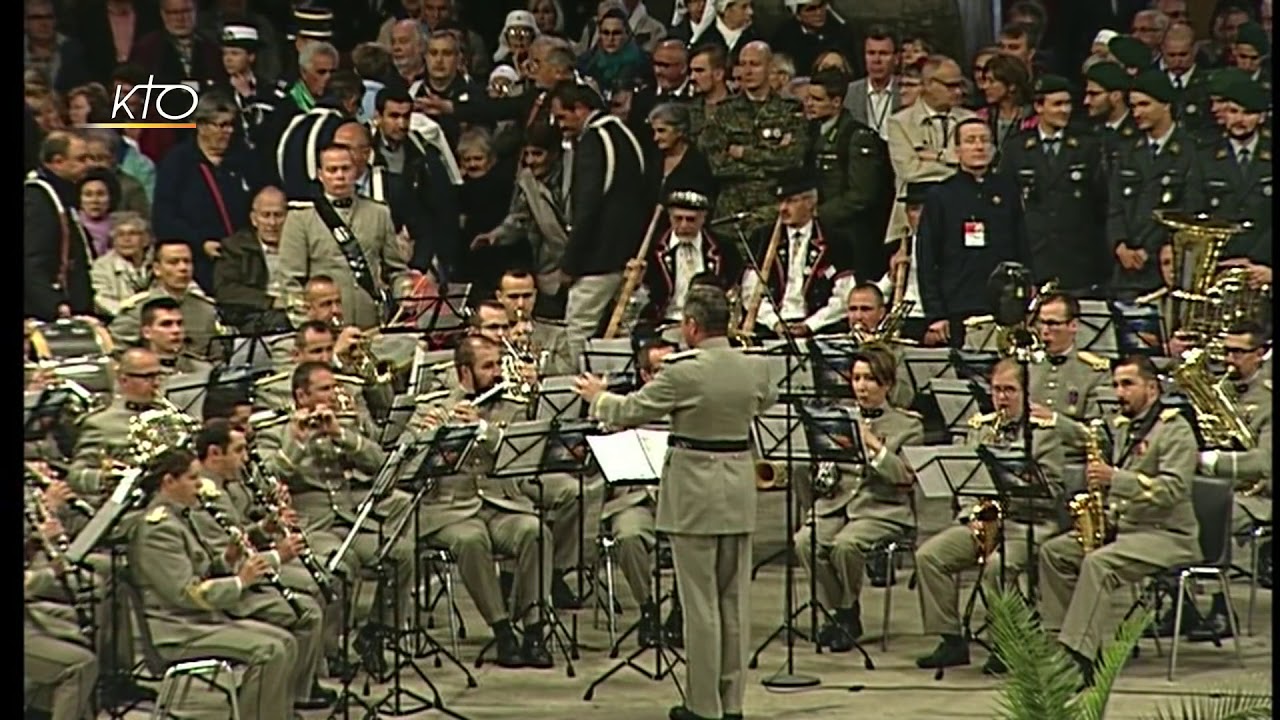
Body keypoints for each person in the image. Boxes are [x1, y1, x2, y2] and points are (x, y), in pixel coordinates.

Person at [573, 284, 777, 720]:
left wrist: (597, 397)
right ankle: (732, 702)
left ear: (692, 326)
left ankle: (703, 705)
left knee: (700, 603)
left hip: (695, 492)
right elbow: (766, 401)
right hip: (738, 486)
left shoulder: (683, 372)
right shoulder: (756, 367)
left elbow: (630, 411)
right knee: (733, 602)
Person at [1038, 355, 1199, 687]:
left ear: (1152, 388)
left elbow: (1172, 490)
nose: (1119, 392)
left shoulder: (1175, 430)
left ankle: (1079, 658)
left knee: (1098, 564)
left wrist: (1115, 479)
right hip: (1124, 528)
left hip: (1166, 534)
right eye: (1115, 385)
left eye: (1127, 384)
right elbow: (1088, 439)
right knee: (1054, 553)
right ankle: (1061, 641)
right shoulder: (1123, 426)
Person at [411, 336, 555, 668]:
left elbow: (521, 453)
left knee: (535, 532)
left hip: (500, 504)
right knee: (471, 540)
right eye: (488, 366)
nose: (498, 373)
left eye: (498, 364)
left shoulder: (512, 405)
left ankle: (534, 630)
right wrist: (436, 435)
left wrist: (484, 429)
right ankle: (502, 631)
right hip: (452, 509)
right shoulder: (432, 406)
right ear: (465, 371)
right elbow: (409, 462)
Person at [914, 358, 1063, 674]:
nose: (1002, 397)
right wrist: (973, 516)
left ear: (1026, 393)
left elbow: (1054, 491)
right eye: (996, 390)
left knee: (997, 567)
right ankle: (951, 640)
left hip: (1028, 524)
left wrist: (1021, 480)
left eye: (1010, 390)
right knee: (929, 557)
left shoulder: (1044, 435)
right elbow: (965, 480)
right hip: (984, 521)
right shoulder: (980, 429)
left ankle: (1008, 643)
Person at [793, 346, 924, 652]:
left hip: (881, 509)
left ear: (887, 384)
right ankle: (838, 612)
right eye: (856, 378)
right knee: (805, 542)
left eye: (870, 379)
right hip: (836, 504)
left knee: (845, 546)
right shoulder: (837, 419)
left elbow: (904, 477)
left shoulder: (909, 426)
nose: (862, 387)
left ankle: (847, 612)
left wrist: (873, 445)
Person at [550, 80, 649, 362]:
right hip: (628, 254)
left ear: (581, 109)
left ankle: (577, 387)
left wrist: (570, 263)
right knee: (621, 334)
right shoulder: (626, 135)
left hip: (597, 258)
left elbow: (588, 208)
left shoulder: (594, 141)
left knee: (578, 329)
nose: (560, 125)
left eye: (562, 116)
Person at [915, 119, 1031, 348]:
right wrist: (935, 313)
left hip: (1006, 305)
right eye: (970, 141)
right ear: (957, 150)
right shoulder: (941, 195)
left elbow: (1023, 246)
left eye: (984, 140)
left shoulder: (1008, 190)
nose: (979, 146)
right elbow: (927, 258)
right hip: (958, 303)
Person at [1193, 321, 1272, 639]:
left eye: (1238, 353)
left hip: (1260, 496)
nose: (1229, 360)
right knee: (1170, 506)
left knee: (1214, 513)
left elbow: (1264, 462)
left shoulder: (1269, 399)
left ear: (1260, 354)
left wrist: (1211, 461)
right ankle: (1180, 603)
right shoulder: (1219, 391)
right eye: (1226, 352)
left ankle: (1221, 607)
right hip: (1218, 488)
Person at [278, 142, 410, 330]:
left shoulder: (379, 213)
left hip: (372, 325)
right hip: (324, 329)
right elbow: (290, 282)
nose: (340, 175)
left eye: (345, 169)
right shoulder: (300, 218)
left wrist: (405, 294)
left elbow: (396, 270)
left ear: (356, 171)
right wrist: (307, 328)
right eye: (332, 170)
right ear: (320, 174)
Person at [998, 75, 1108, 294]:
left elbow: (1101, 202)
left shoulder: (1087, 146)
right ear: (1039, 107)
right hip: (1032, 258)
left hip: (1077, 260)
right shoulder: (1016, 148)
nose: (1065, 110)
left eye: (1068, 104)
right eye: (1057, 104)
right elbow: (1006, 203)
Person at [1107, 70, 1204, 301]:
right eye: (1133, 106)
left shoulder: (1191, 151)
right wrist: (1119, 245)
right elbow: (1114, 206)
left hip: (1166, 269)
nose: (1137, 113)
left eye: (1144, 104)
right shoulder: (1127, 151)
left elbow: (1190, 209)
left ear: (1166, 104)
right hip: (1125, 272)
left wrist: (1150, 251)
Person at [701, 41, 808, 229]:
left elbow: (793, 159)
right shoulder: (722, 112)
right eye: (743, 64)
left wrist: (744, 153)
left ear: (770, 67)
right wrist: (769, 164)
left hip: (775, 212)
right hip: (730, 214)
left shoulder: (790, 110)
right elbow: (717, 165)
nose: (747, 71)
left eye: (755, 64)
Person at [738, 170, 856, 339]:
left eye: (790, 201)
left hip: (820, 330)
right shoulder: (762, 238)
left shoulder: (836, 241)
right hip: (770, 329)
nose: (782, 208)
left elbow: (844, 296)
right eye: (780, 202)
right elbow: (750, 292)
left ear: (810, 202)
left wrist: (810, 325)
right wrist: (775, 323)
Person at [803, 69, 894, 281]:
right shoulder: (810, 132)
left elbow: (862, 194)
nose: (809, 104)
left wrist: (817, 214)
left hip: (850, 233)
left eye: (817, 99)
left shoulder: (857, 137)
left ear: (836, 102)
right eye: (808, 98)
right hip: (820, 232)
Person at [884, 55, 975, 246]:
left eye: (960, 85)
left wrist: (939, 156)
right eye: (950, 86)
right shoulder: (900, 123)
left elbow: (978, 167)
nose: (958, 92)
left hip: (966, 212)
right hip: (912, 222)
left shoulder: (972, 121)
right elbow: (909, 171)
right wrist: (957, 163)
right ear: (928, 84)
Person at [1194, 76, 1272, 275]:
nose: (1239, 120)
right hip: (1215, 262)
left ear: (1262, 117)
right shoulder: (1204, 156)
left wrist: (1256, 258)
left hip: (1263, 265)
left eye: (1248, 113)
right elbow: (1193, 211)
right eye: (1233, 112)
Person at [632, 187, 742, 326]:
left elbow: (734, 289)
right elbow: (639, 299)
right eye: (678, 219)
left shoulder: (724, 248)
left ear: (703, 218)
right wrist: (636, 284)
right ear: (670, 217)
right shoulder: (651, 249)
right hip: (663, 322)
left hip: (708, 325)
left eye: (691, 220)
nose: (683, 225)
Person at [108, 238, 222, 359]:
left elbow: (216, 355)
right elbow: (116, 352)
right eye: (174, 262)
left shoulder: (205, 309)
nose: (183, 268)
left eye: (187, 261)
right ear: (157, 269)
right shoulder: (138, 309)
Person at [1027, 293, 1113, 449]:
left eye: (1052, 323)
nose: (1044, 331)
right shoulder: (1027, 365)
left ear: (1073, 325)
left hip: (1070, 457)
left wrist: (1054, 420)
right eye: (1041, 322)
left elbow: (1101, 437)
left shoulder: (1094, 372)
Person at [24, 131, 94, 321]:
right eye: (81, 159)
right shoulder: (37, 199)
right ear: (57, 161)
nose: (89, 164)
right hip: (45, 313)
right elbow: (31, 261)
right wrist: (53, 304)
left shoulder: (63, 195)